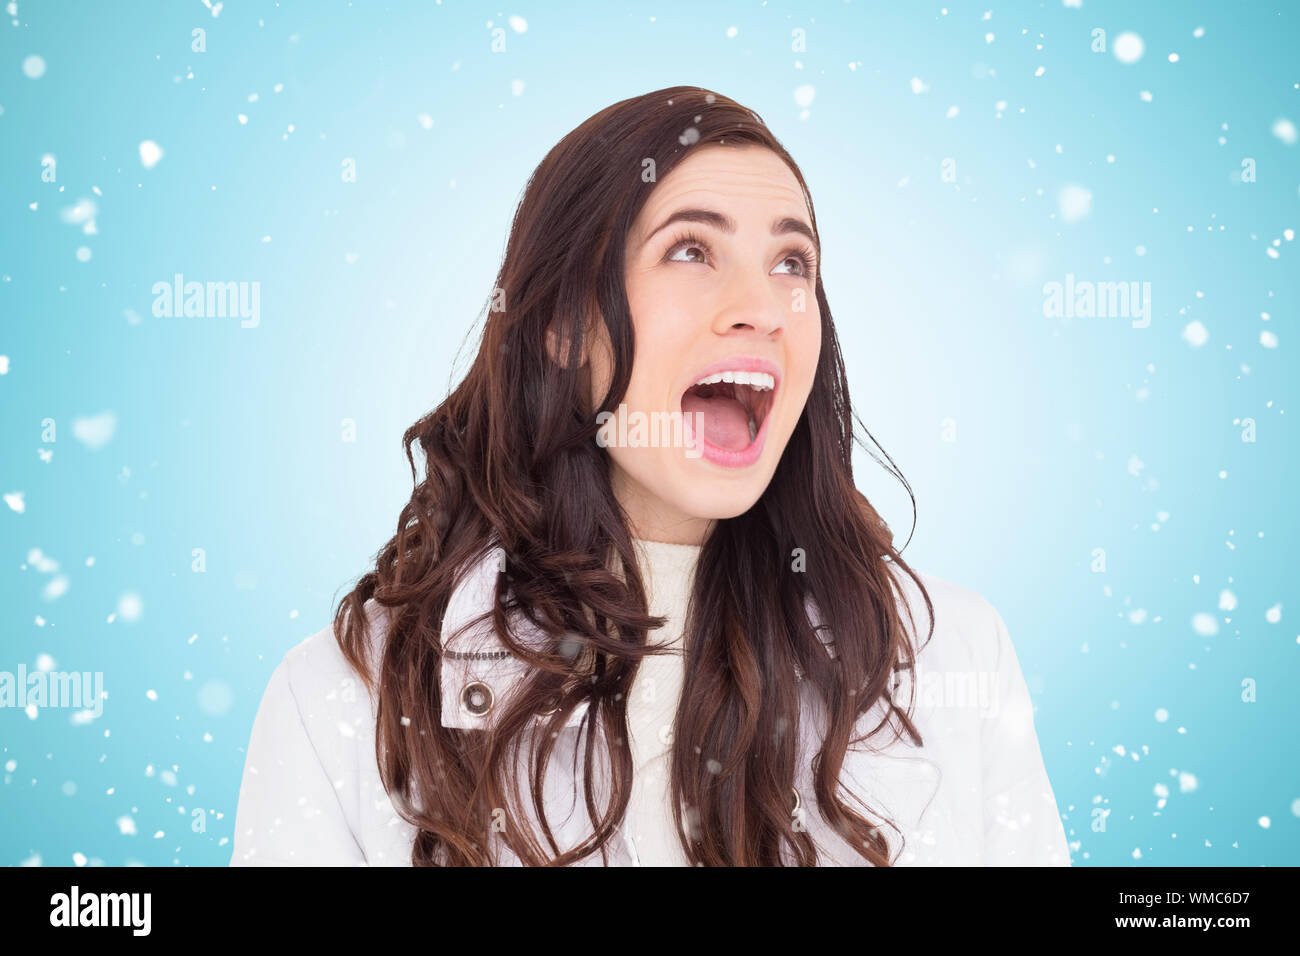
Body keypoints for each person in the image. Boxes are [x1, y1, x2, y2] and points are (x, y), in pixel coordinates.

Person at [230, 86, 1071, 867]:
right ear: (563, 324)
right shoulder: (342, 700)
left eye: (792, 263)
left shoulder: (955, 657)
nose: (761, 306)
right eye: (691, 249)